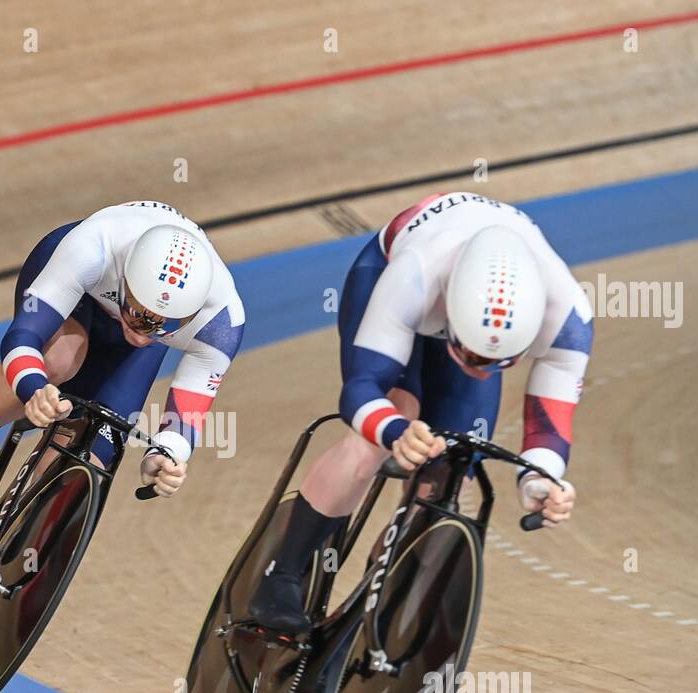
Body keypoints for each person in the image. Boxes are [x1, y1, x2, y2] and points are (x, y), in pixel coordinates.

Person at [250, 191, 594, 637]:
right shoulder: (414, 277)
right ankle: (280, 575)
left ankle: (373, 602)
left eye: (495, 363)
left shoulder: (567, 319)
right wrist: (393, 431)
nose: (480, 369)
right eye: (469, 353)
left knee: (453, 466)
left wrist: (539, 479)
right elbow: (362, 389)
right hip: (391, 274)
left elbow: (548, 427)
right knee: (385, 427)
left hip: (460, 307)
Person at [0, 201, 245, 524]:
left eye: (167, 325)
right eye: (142, 317)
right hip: (77, 293)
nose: (146, 335)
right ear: (125, 279)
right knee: (58, 361)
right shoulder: (92, 249)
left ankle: (17, 543)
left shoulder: (221, 323)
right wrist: (34, 387)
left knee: (91, 462)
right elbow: (24, 337)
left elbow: (186, 416)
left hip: (121, 314)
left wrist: (166, 457)